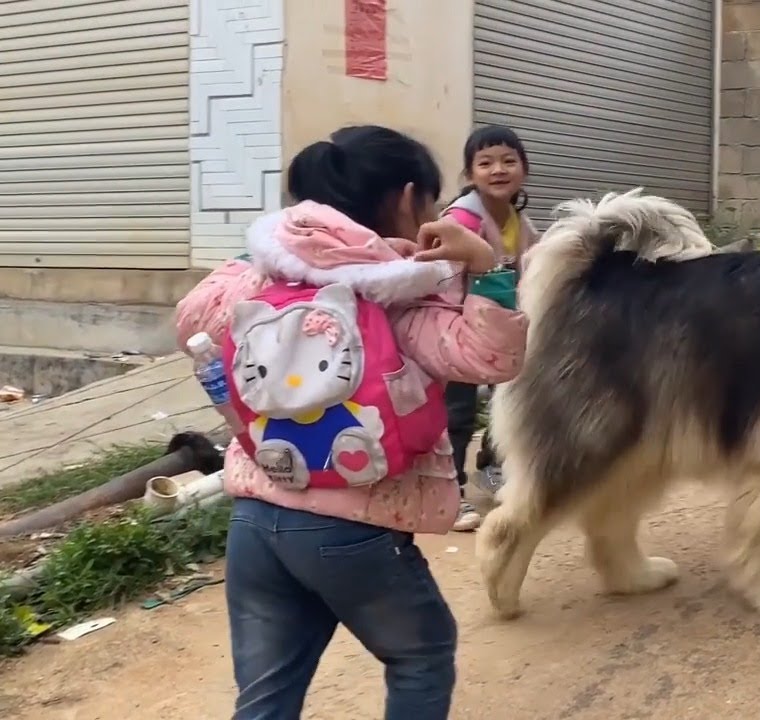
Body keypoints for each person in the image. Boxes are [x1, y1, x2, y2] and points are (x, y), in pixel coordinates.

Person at [174, 125, 528, 719]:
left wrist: (270, 249)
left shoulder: (257, 280)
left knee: (267, 694)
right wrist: (489, 268)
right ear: (408, 199)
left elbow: (191, 321)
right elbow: (489, 359)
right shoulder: (402, 296)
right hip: (354, 528)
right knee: (421, 655)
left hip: (258, 517)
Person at [441, 125, 540, 531]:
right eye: (485, 163)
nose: (498, 169)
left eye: (508, 161)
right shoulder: (462, 218)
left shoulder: (517, 218)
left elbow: (535, 262)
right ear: (469, 175)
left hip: (499, 329)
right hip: (459, 329)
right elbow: (443, 276)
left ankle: (492, 467)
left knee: (509, 400)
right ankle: (450, 494)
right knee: (457, 411)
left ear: (524, 169)